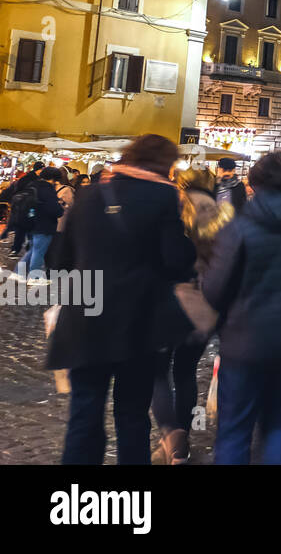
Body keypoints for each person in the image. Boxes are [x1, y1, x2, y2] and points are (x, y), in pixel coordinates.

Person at [47, 135, 196, 465]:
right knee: (131, 415)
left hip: (85, 313)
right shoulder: (162, 195)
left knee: (84, 414)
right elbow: (176, 260)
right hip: (137, 320)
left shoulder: (89, 194)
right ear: (163, 164)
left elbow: (60, 261)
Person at [203, 152, 281, 465]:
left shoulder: (240, 227)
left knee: (235, 427)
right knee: (279, 419)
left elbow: (215, 289)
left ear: (254, 184)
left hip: (246, 339)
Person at [151, 167, 233, 464]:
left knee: (157, 372)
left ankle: (172, 435)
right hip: (206, 306)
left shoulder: (175, 209)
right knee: (186, 371)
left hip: (173, 302)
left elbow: (165, 257)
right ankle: (182, 440)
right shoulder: (223, 215)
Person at [13, 166, 66, 283]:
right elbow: (54, 210)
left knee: (33, 249)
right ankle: (34, 277)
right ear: (54, 178)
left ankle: (18, 273)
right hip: (44, 225)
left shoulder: (33, 185)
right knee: (38, 251)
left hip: (30, 223)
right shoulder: (48, 189)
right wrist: (61, 208)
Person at [2, 161, 44, 259]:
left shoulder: (25, 178)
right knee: (28, 227)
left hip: (21, 207)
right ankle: (27, 248)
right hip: (29, 207)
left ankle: (16, 249)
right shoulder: (35, 180)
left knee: (21, 228)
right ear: (39, 170)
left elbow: (16, 191)